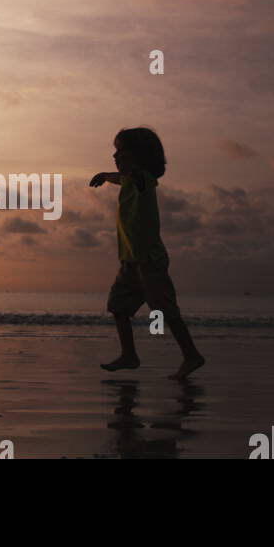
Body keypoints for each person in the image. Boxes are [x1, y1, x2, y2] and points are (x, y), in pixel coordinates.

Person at [89, 127, 205, 380]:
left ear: (139, 156)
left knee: (165, 310)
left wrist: (132, 170)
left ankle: (191, 355)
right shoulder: (128, 180)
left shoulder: (144, 180)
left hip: (149, 261)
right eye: (115, 151)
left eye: (121, 151)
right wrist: (105, 175)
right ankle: (129, 355)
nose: (115, 156)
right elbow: (120, 177)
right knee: (118, 307)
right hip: (130, 262)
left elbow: (137, 177)